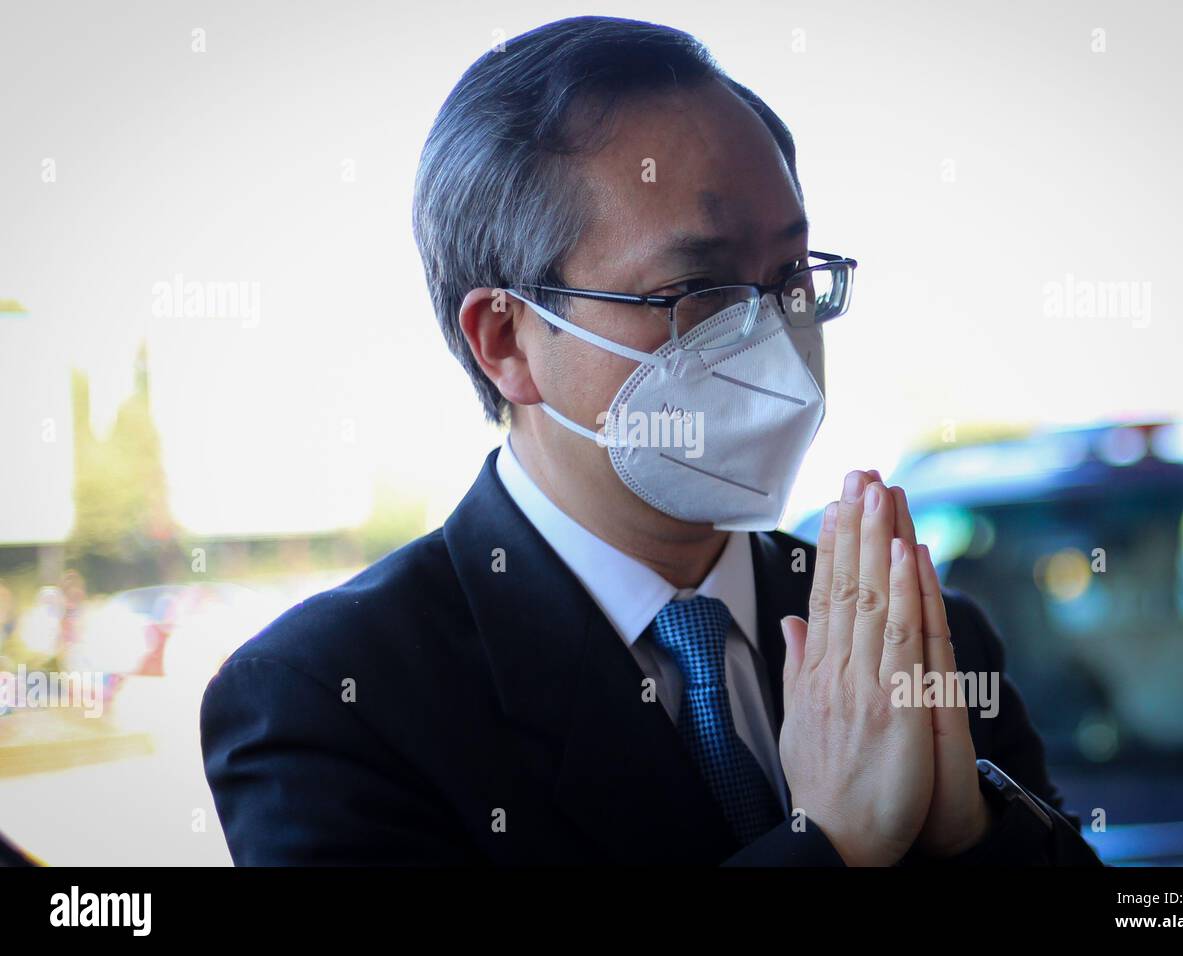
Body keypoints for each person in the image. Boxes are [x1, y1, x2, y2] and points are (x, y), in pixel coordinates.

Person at [200, 16, 1102, 866]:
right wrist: (831, 847)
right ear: (507, 340)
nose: (775, 340)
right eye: (697, 288)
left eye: (791, 277)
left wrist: (976, 836)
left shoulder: (919, 642)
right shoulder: (332, 700)